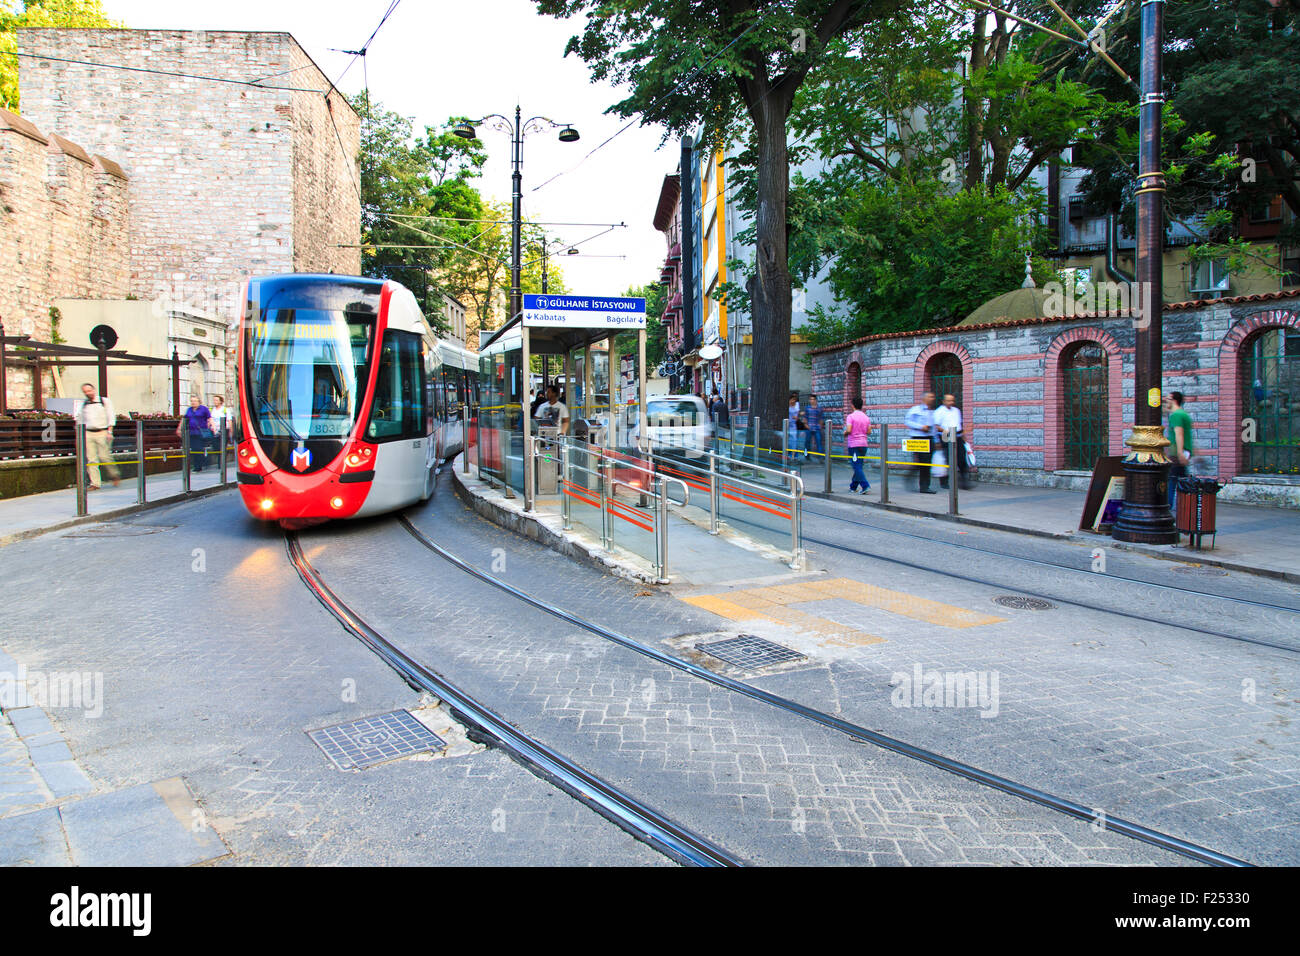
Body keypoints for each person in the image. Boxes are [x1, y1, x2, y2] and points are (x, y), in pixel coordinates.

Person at [73, 383, 120, 490]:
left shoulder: (104, 401)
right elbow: (80, 419)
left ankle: (114, 474)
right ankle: (95, 483)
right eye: (85, 391)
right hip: (88, 433)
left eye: (89, 391)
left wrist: (110, 431)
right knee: (91, 459)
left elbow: (111, 416)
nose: (87, 393)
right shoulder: (84, 404)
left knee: (104, 457)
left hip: (102, 431)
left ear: (94, 390)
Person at [932, 393, 971, 490]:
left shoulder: (956, 411)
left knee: (962, 458)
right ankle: (945, 482)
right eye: (948, 400)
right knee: (948, 458)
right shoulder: (939, 411)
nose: (951, 402)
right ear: (944, 401)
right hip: (946, 434)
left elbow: (959, 424)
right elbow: (936, 426)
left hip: (957, 434)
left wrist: (963, 436)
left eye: (952, 400)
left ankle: (964, 481)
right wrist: (944, 435)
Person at [904, 392, 939, 494]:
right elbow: (907, 421)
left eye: (933, 396)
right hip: (918, 438)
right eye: (930, 396)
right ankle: (924, 486)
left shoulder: (932, 412)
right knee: (922, 462)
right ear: (924, 398)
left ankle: (923, 484)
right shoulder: (915, 409)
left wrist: (936, 440)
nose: (932, 398)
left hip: (930, 438)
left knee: (926, 463)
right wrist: (920, 427)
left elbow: (934, 428)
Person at [1165, 390, 1194, 510]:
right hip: (1183, 451)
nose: (1166, 401)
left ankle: (1169, 505)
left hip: (1177, 452)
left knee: (1172, 480)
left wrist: (1179, 452)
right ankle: (1186, 505)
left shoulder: (1176, 415)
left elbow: (1179, 434)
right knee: (1180, 479)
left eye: (1167, 399)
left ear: (1174, 401)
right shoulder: (1184, 414)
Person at [178, 394, 214, 472]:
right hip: (191, 432)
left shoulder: (204, 409)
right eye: (192, 401)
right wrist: (179, 428)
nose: (193, 402)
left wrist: (213, 426)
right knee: (194, 449)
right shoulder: (189, 410)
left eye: (195, 401)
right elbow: (184, 418)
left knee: (198, 448)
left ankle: (198, 466)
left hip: (200, 432)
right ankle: (199, 464)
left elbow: (209, 418)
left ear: (199, 402)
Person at [843, 397, 872, 494]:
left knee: (856, 466)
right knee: (859, 465)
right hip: (864, 444)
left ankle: (865, 486)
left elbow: (849, 430)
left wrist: (845, 433)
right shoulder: (866, 417)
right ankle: (853, 486)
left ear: (852, 405)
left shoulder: (850, 417)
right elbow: (869, 431)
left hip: (854, 444)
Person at [804, 394, 823, 459]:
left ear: (816, 400)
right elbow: (805, 417)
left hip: (817, 428)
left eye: (813, 399)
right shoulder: (807, 408)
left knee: (819, 442)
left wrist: (820, 426)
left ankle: (820, 457)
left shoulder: (819, 408)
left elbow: (821, 418)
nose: (812, 401)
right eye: (811, 399)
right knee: (807, 442)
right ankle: (807, 456)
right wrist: (806, 425)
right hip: (809, 427)